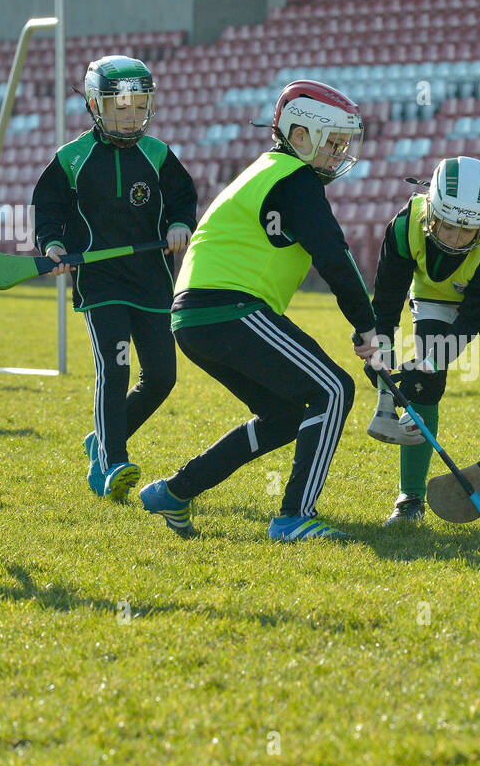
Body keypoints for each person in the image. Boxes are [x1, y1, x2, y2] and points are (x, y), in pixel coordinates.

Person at [139, 80, 381, 541]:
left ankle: (174, 492)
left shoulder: (269, 170)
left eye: (342, 144)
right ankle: (294, 517)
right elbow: (334, 257)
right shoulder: (296, 179)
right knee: (334, 390)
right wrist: (368, 328)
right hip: (227, 307)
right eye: (332, 142)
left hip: (194, 316)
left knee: (285, 416)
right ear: (300, 135)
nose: (339, 154)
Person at [33, 55, 197, 501]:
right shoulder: (71, 159)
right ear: (94, 105)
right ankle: (112, 462)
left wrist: (180, 224)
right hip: (101, 282)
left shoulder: (158, 154)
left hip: (152, 281)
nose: (131, 117)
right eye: (121, 107)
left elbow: (183, 199)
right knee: (116, 367)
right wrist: (53, 245)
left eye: (140, 106)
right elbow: (47, 210)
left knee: (161, 378)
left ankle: (101, 438)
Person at [369, 155, 480, 535]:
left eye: (468, 231)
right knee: (425, 388)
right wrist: (380, 352)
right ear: (431, 211)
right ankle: (409, 499)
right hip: (434, 292)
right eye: (447, 226)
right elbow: (386, 301)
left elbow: (471, 320)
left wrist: (432, 360)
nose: (455, 239)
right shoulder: (404, 225)